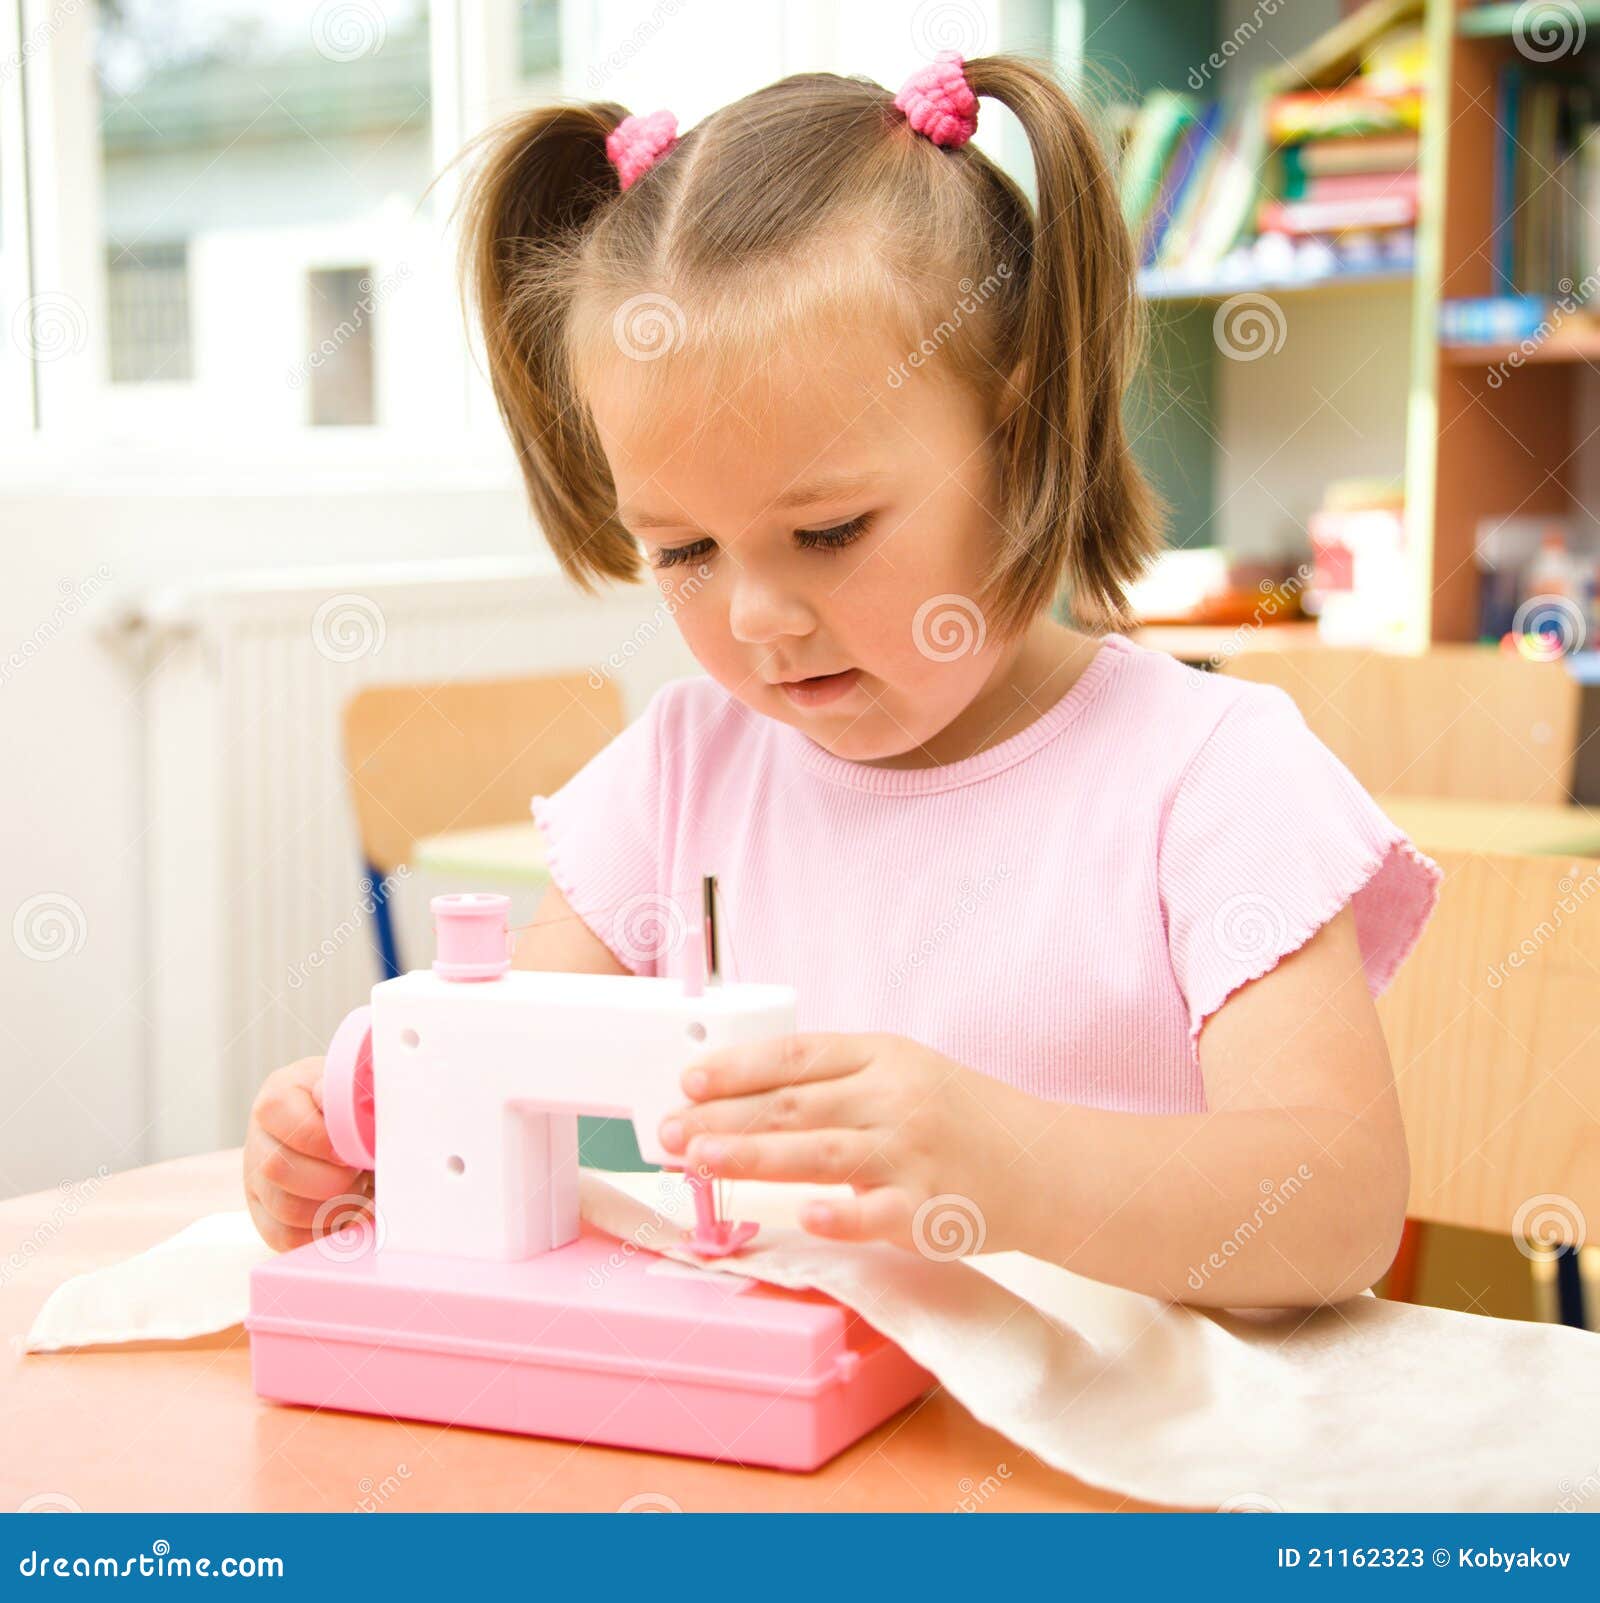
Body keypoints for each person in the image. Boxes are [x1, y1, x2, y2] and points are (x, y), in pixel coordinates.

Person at [245, 52, 1439, 1308]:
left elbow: (1339, 1207)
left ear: (1021, 434)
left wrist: (1012, 1165)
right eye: (684, 551)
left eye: (828, 533)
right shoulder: (679, 774)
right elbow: (495, 1078)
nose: (760, 615)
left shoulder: (1212, 775)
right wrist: (369, 1143)